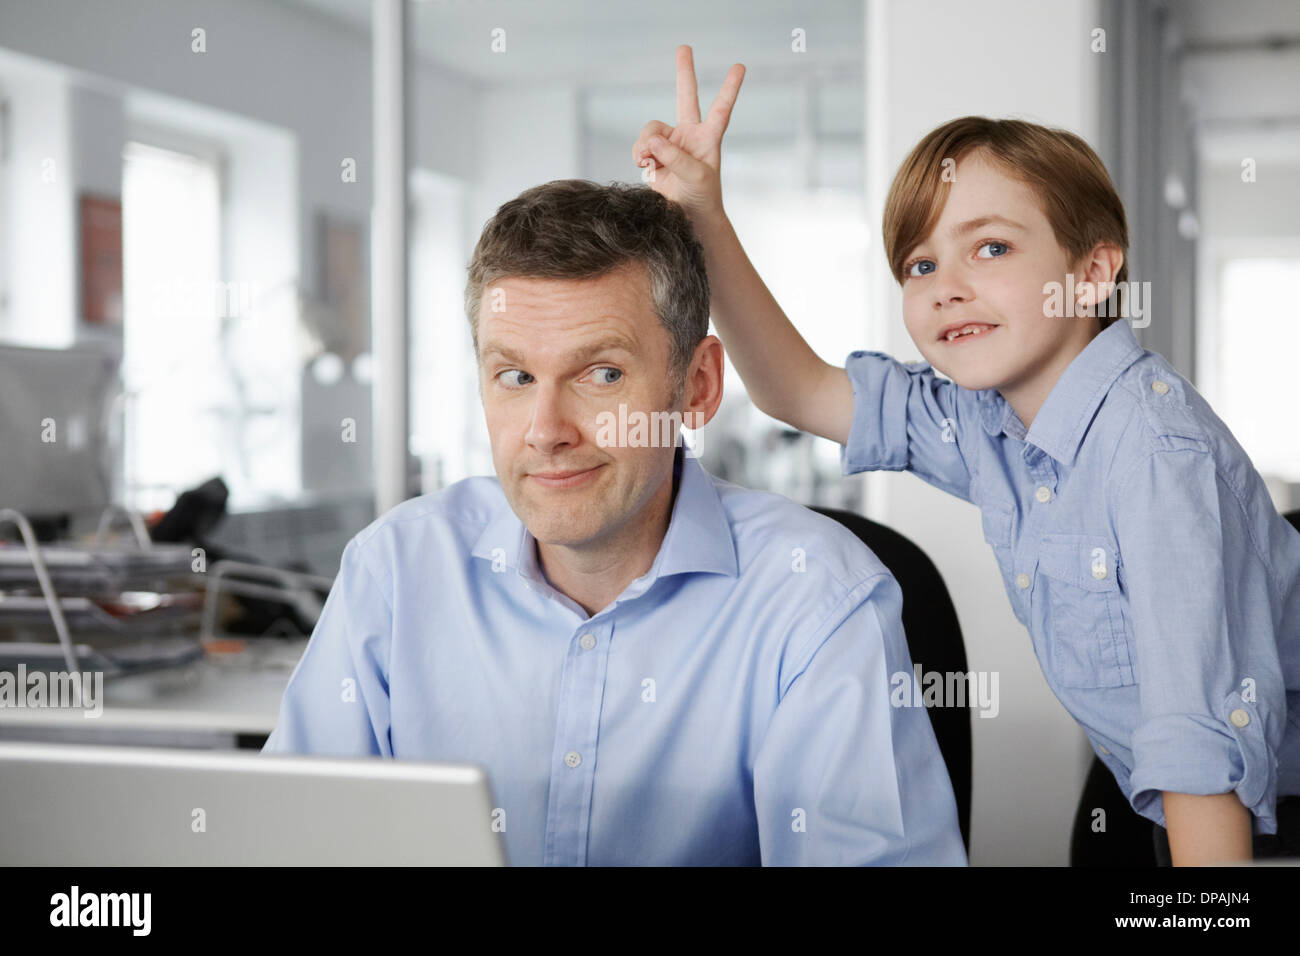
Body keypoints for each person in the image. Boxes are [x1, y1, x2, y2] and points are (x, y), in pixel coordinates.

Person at [633, 45, 1300, 866]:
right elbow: (798, 390)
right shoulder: (987, 422)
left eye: (990, 248)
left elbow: (1201, 755)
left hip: (1248, 811)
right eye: (920, 264)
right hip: (1152, 791)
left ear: (1091, 273)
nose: (946, 284)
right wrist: (702, 214)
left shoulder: (1157, 459)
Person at [263, 177, 967, 867]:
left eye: (600, 375)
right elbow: (284, 840)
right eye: (514, 377)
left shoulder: (815, 596)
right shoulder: (395, 570)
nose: (545, 432)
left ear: (696, 386)